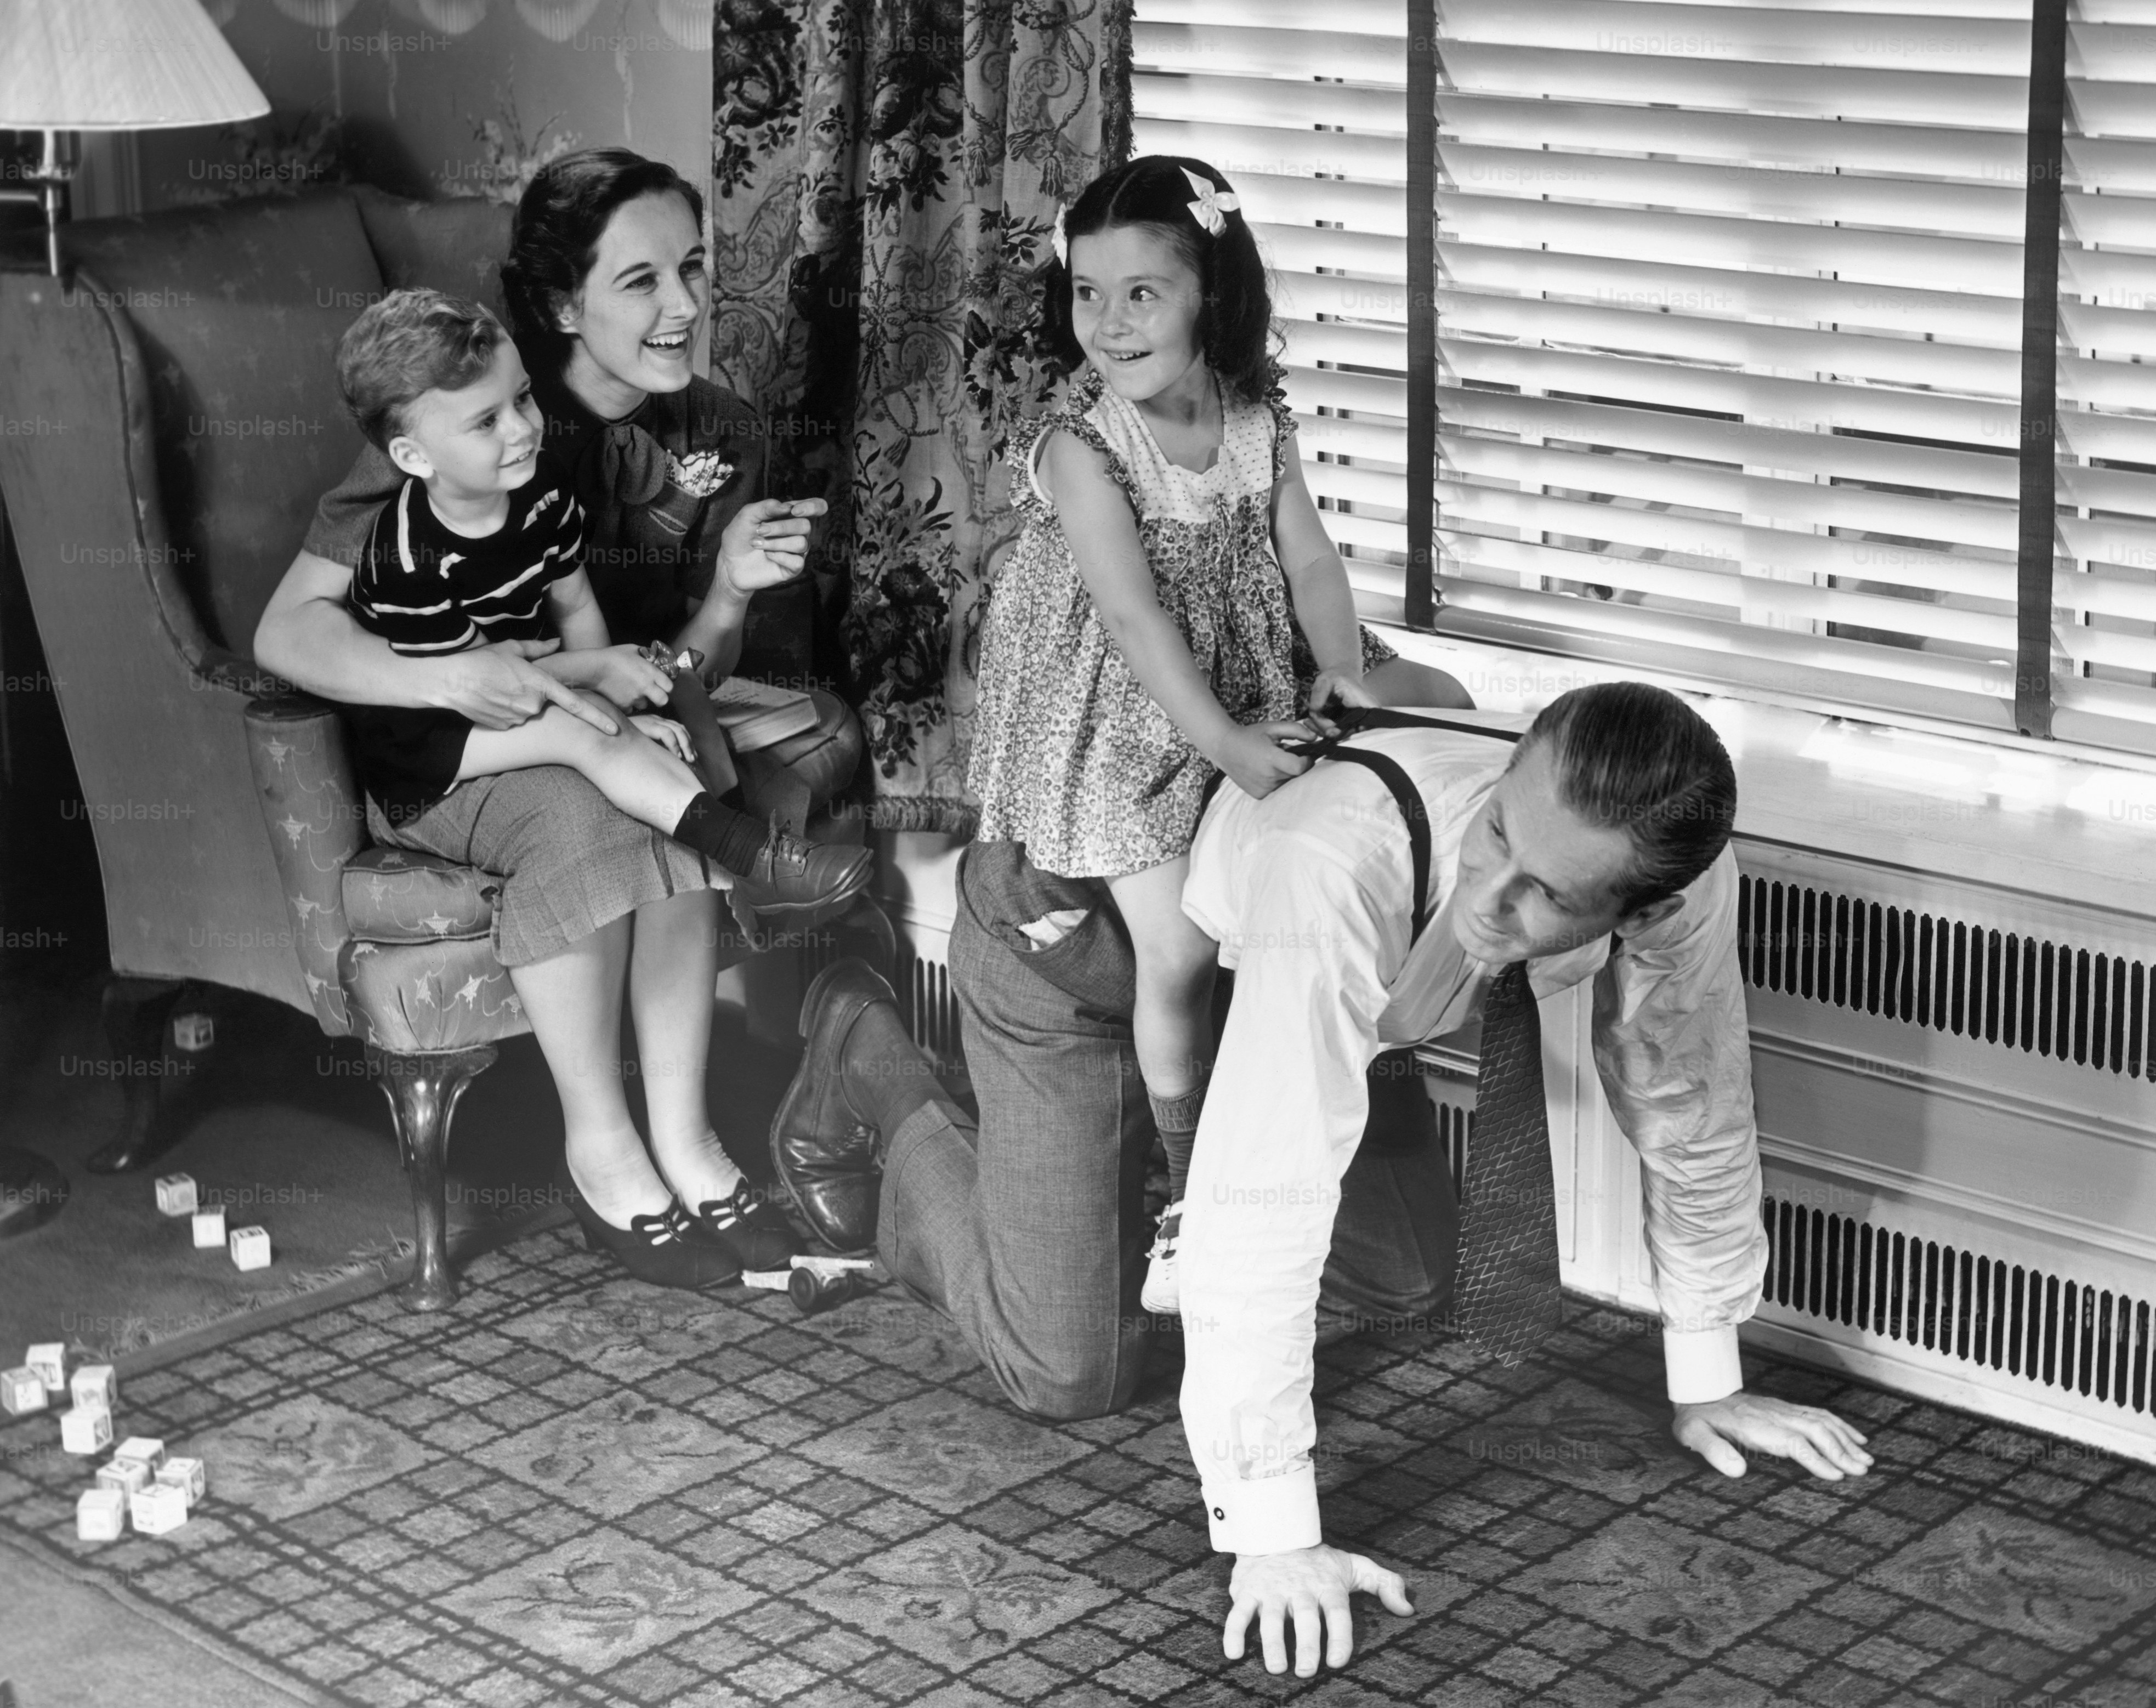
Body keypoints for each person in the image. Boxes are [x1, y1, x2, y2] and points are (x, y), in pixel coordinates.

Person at [770, 682, 1874, 1681]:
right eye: (1495, 832)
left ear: (1633, 907)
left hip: (1269, 972)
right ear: (1513, 770)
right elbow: (1267, 1204)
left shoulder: (1677, 875)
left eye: (1542, 894)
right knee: (1068, 1368)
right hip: (1081, 952)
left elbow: (1692, 1098)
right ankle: (863, 1053)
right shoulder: (1343, 859)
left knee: (1404, 1277)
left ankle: (1128, 1190)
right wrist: (1275, 1533)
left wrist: (1706, 1373)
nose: (1489, 895)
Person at [257, 149, 836, 1287]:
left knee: (671, 780)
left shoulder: (706, 428)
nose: (681, 306)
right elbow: (289, 633)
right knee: (592, 803)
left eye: (694, 269)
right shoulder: (462, 428)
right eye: (638, 281)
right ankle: (603, 1149)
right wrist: (452, 677)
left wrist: (722, 593)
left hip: (605, 701)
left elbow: (669, 659)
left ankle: (687, 1134)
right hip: (467, 738)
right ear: (566, 302)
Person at [969, 154, 1463, 1315]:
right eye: (1088, 293)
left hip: (1233, 675)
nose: (1109, 321)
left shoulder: (1252, 419)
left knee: (1424, 710)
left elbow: (1307, 559)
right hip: (1120, 719)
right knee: (1181, 947)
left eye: (1143, 292)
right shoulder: (1082, 451)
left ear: (1214, 294)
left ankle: (1302, 1141)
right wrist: (1234, 748)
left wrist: (1341, 665)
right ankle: (1190, 1197)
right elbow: (1136, 627)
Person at [327, 286, 870, 915]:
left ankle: (747, 860)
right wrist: (601, 691)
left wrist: (621, 688)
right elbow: (486, 685)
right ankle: (757, 859)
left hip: (523, 682)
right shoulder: (406, 558)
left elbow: (577, 606)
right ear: (412, 456)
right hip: (434, 736)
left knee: (676, 688)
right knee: (596, 736)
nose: (524, 429)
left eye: (523, 398)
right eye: (485, 422)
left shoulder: (542, 486)